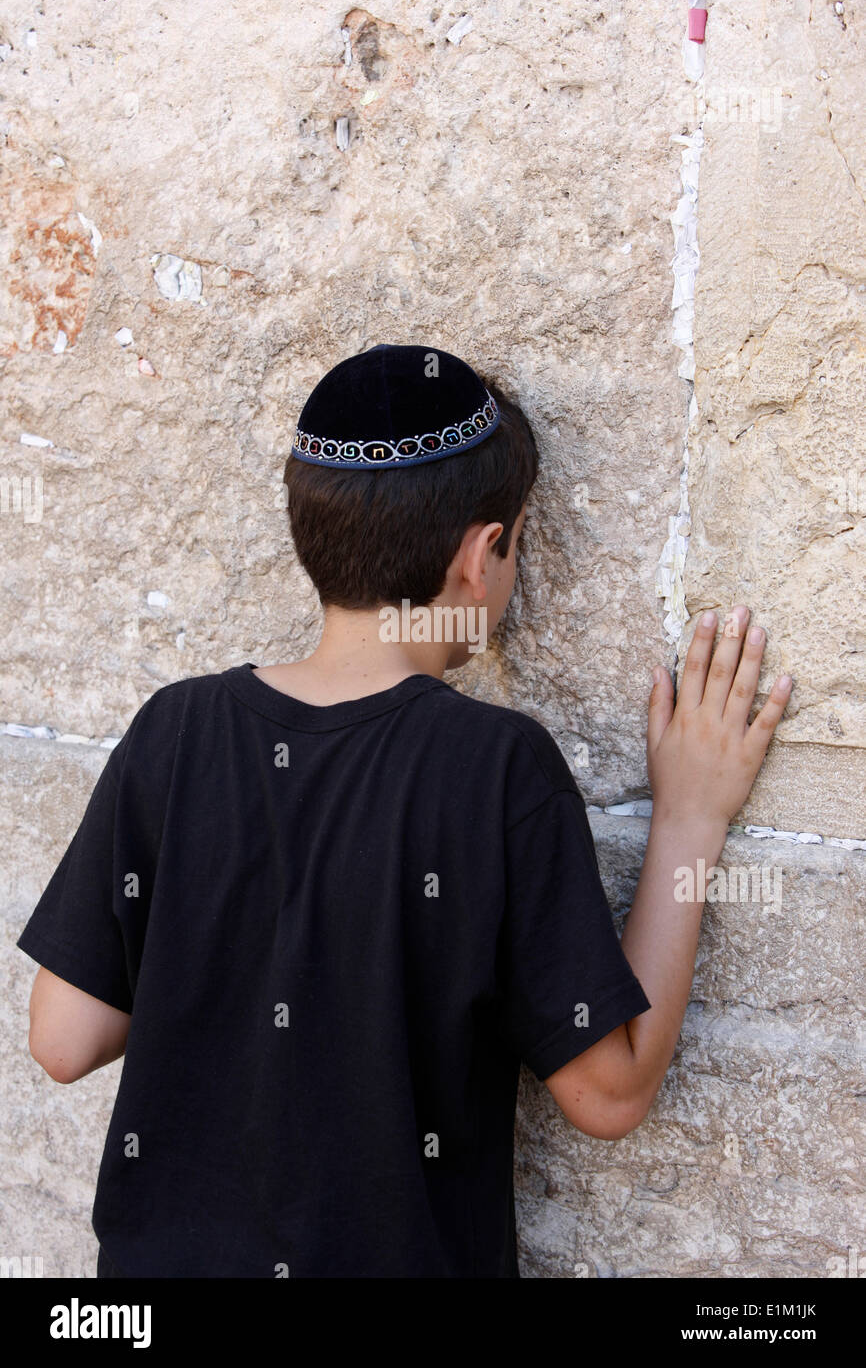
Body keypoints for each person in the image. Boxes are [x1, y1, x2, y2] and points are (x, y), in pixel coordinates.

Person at [17, 343, 793, 1278]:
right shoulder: (494, 767)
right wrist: (691, 823)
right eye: (517, 547)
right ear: (481, 556)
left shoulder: (175, 730)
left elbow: (64, 1039)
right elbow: (610, 1092)